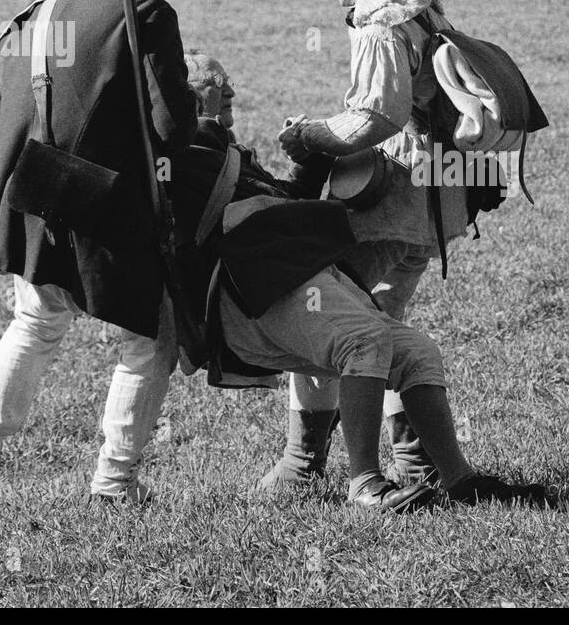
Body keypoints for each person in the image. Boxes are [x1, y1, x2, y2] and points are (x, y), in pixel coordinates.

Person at [0, 0, 198, 505]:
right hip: (101, 197)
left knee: (34, 320)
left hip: (26, 188)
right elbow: (172, 129)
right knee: (152, 336)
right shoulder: (147, 14)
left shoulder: (43, 4)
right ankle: (114, 483)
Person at [168, 117, 542, 510]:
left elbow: (293, 195)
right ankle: (363, 483)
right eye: (214, 84)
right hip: (257, 286)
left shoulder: (229, 152)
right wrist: (318, 133)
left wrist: (315, 151)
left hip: (307, 272)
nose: (228, 92)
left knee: (418, 352)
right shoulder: (184, 153)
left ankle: (460, 480)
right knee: (363, 340)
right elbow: (379, 110)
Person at [259, 0, 470, 491]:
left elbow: (379, 114)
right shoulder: (416, 4)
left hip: (386, 200)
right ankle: (420, 461)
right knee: (384, 324)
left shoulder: (380, 17)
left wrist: (310, 135)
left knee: (337, 323)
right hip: (428, 200)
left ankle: (303, 465)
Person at [185, 52, 237, 137]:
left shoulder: (232, 146)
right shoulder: (177, 147)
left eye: (227, 82)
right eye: (218, 82)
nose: (230, 93)